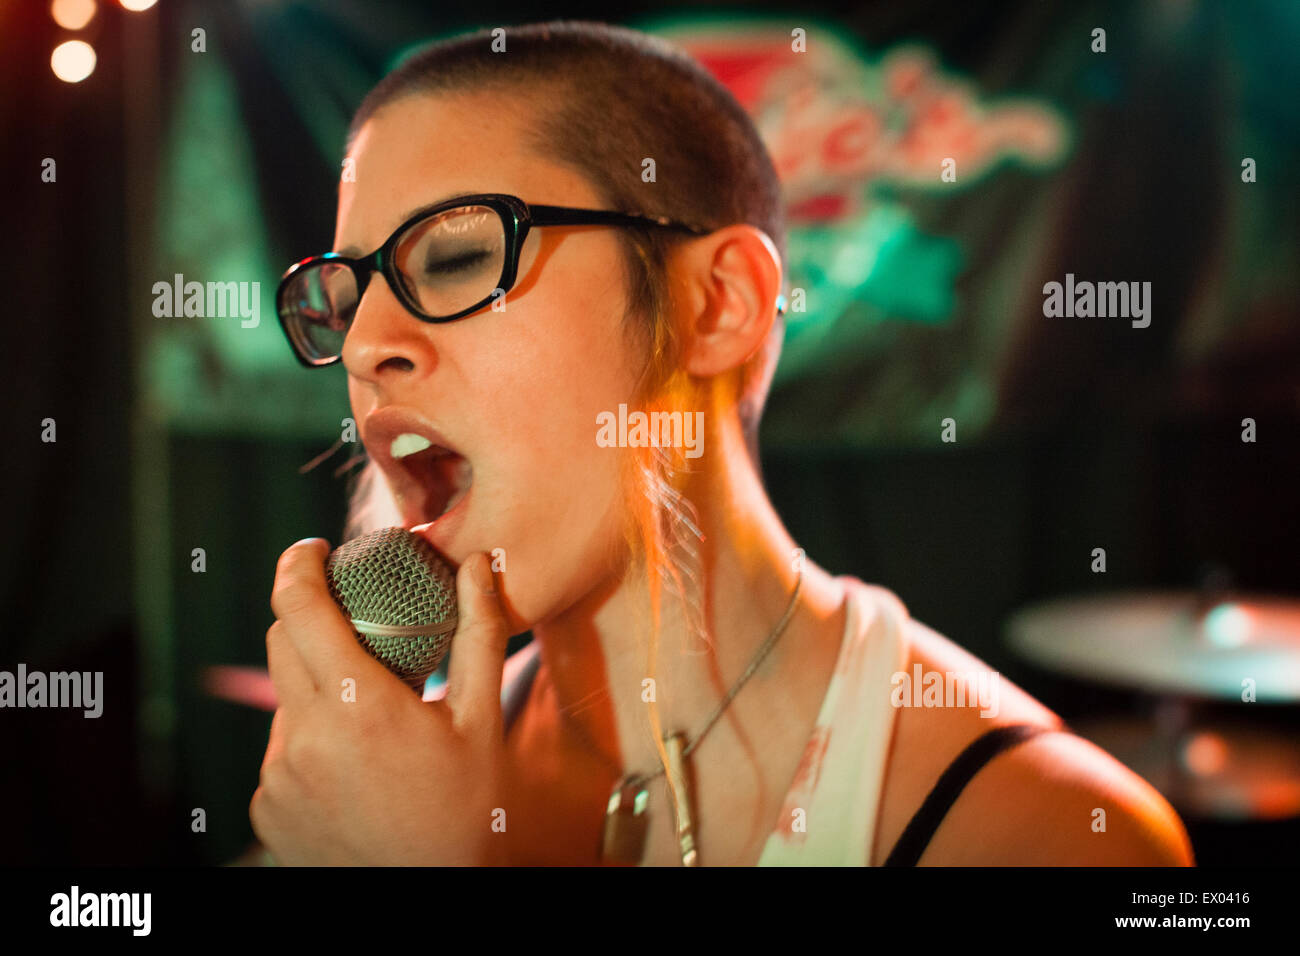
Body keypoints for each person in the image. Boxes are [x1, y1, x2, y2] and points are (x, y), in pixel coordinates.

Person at [249, 19, 1194, 866]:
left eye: (456, 257)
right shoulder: (384, 781)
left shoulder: (1051, 837)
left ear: (719, 304)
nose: (367, 346)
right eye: (344, 299)